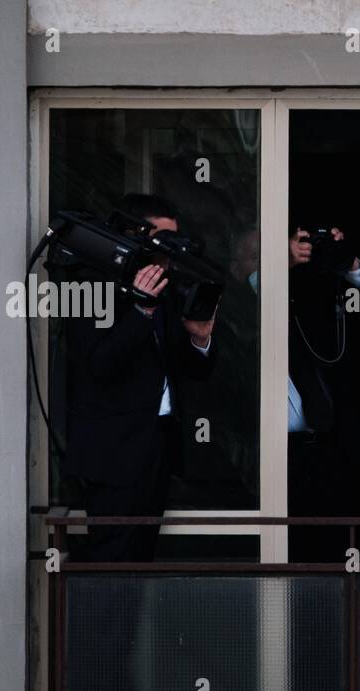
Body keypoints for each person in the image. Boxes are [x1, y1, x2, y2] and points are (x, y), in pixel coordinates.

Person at [64, 193, 218, 562]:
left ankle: (124, 623)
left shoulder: (164, 287)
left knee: (140, 558)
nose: (171, 251)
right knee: (110, 558)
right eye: (163, 239)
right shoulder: (91, 284)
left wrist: (200, 337)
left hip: (158, 444)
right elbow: (101, 364)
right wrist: (141, 308)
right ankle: (93, 623)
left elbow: (193, 370)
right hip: (113, 453)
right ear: (135, 235)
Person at [286, 224, 360, 559]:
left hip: (325, 436)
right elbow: (253, 288)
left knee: (325, 541)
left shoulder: (320, 283)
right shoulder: (271, 282)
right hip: (276, 448)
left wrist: (342, 257)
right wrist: (284, 262)